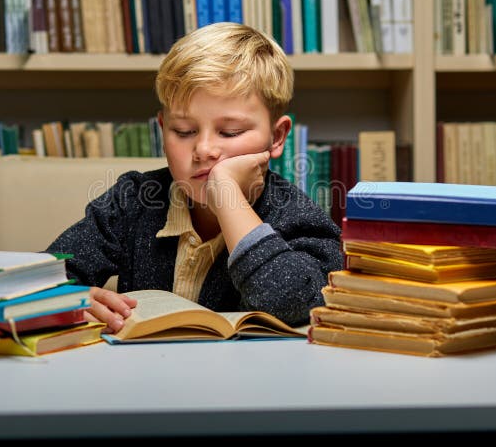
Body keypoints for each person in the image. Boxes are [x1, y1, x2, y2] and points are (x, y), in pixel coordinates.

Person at [46, 22, 343, 331]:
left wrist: (227, 195)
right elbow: (32, 283)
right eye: (184, 131)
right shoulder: (133, 200)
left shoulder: (298, 216)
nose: (203, 149)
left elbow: (295, 303)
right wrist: (73, 300)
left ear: (277, 137)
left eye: (230, 132)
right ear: (162, 130)